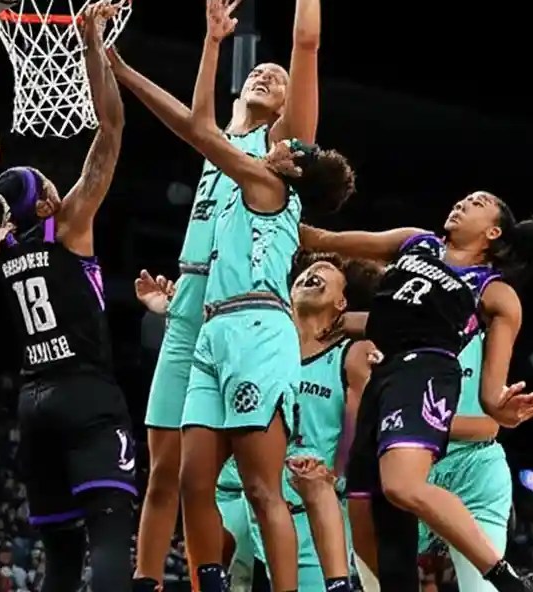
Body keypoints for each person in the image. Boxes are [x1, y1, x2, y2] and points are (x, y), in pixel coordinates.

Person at [120, 0, 331, 592]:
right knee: (177, 474)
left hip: (249, 312)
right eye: (260, 72)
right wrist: (211, 45)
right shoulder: (223, 147)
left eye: (279, 77)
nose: (272, 74)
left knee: (258, 483)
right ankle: (174, 578)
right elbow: (198, 120)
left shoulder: (274, 152)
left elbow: (304, 47)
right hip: (198, 306)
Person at [301, 193, 533, 592]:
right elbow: (326, 239)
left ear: (492, 232)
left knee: (401, 486)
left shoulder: (495, 293)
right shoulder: (417, 242)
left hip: (427, 371)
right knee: (362, 508)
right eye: (463, 198)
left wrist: (507, 411)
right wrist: (279, 217)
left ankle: (508, 580)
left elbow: (490, 398)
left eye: (477, 202)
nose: (462, 203)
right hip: (388, 374)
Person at [0, 4, 135, 592]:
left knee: (58, 553)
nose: (61, 187)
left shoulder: (8, 248)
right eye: (53, 186)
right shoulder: (72, 225)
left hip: (34, 402)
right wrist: (90, 47)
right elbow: (111, 129)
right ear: (50, 206)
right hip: (86, 392)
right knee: (108, 537)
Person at [136, 253, 382, 592]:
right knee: (205, 559)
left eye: (324, 272)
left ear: (342, 301)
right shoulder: (257, 344)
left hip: (303, 507)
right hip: (236, 495)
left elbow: (358, 439)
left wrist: (334, 479)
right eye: (307, 271)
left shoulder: (351, 354)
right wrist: (176, 313)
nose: (312, 273)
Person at [414, 330, 513, 592]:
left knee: (482, 586)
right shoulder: (400, 332)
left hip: (474, 469)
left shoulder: (488, 341)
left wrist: (416, 421)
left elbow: (490, 426)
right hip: (411, 470)